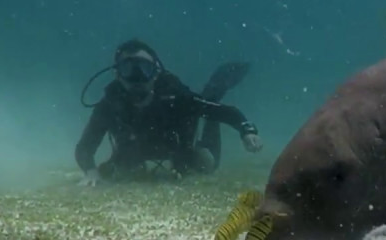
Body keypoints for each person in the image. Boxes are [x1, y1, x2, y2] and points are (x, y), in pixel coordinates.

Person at [75, 39, 263, 186]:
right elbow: (84, 148)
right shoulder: (110, 104)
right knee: (120, 170)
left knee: (208, 164)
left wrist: (247, 131)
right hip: (132, 154)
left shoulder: (175, 96)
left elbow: (226, 113)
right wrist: (90, 171)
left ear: (156, 73)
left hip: (183, 153)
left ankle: (214, 91)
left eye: (144, 68)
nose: (137, 76)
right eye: (128, 69)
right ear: (117, 74)